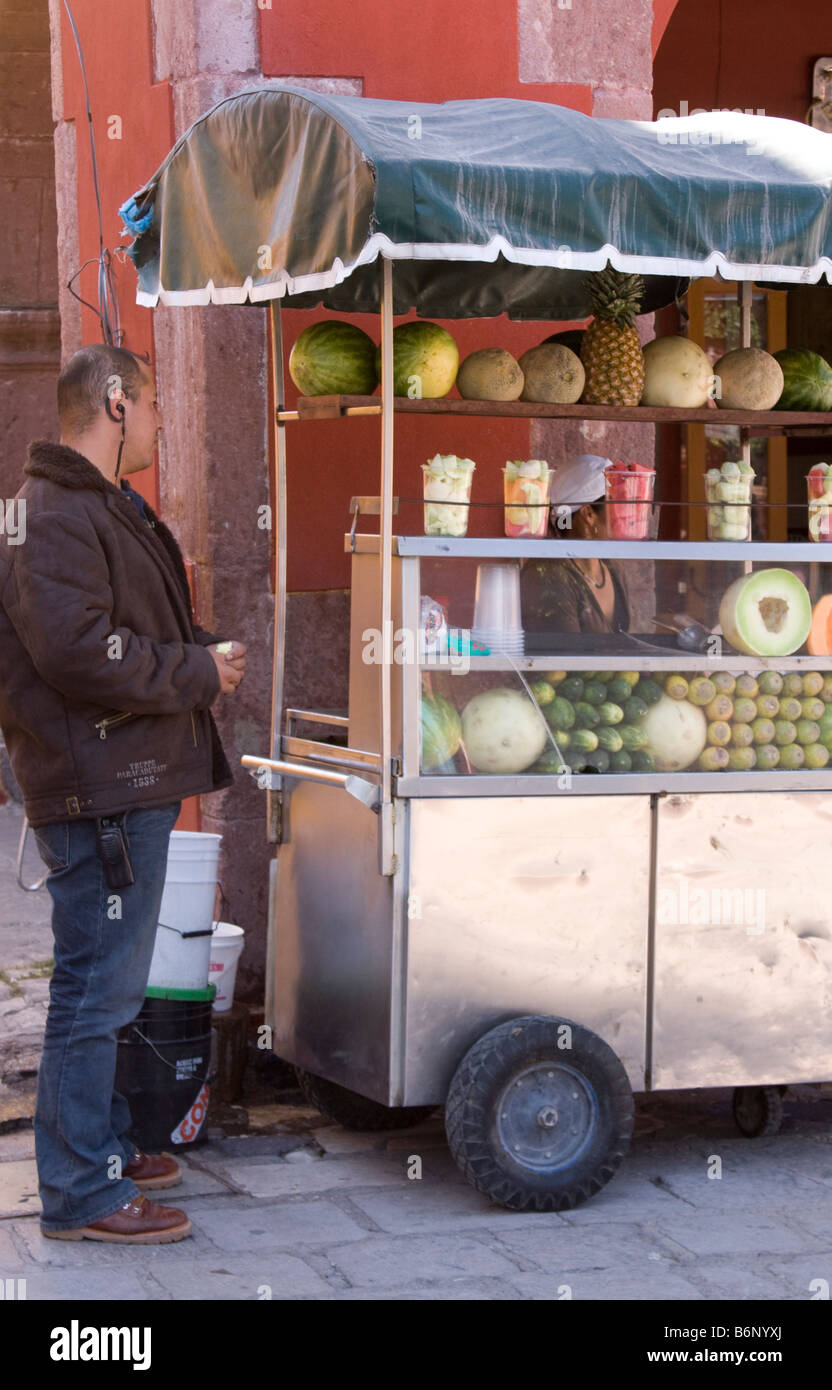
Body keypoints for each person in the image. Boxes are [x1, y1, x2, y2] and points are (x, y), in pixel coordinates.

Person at [0, 344, 247, 1245]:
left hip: (121, 776)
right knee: (94, 990)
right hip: (99, 785)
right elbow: (76, 652)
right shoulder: (56, 512)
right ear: (114, 401)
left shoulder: (91, 506)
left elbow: (120, 627)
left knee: (105, 983)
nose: (156, 421)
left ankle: (96, 1147)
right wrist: (194, 672)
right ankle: (80, 1191)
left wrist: (200, 654)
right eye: (147, 403)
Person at [521, 453, 630, 637]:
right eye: (619, 505)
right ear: (588, 514)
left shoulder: (612, 568)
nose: (627, 515)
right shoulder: (548, 575)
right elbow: (561, 659)